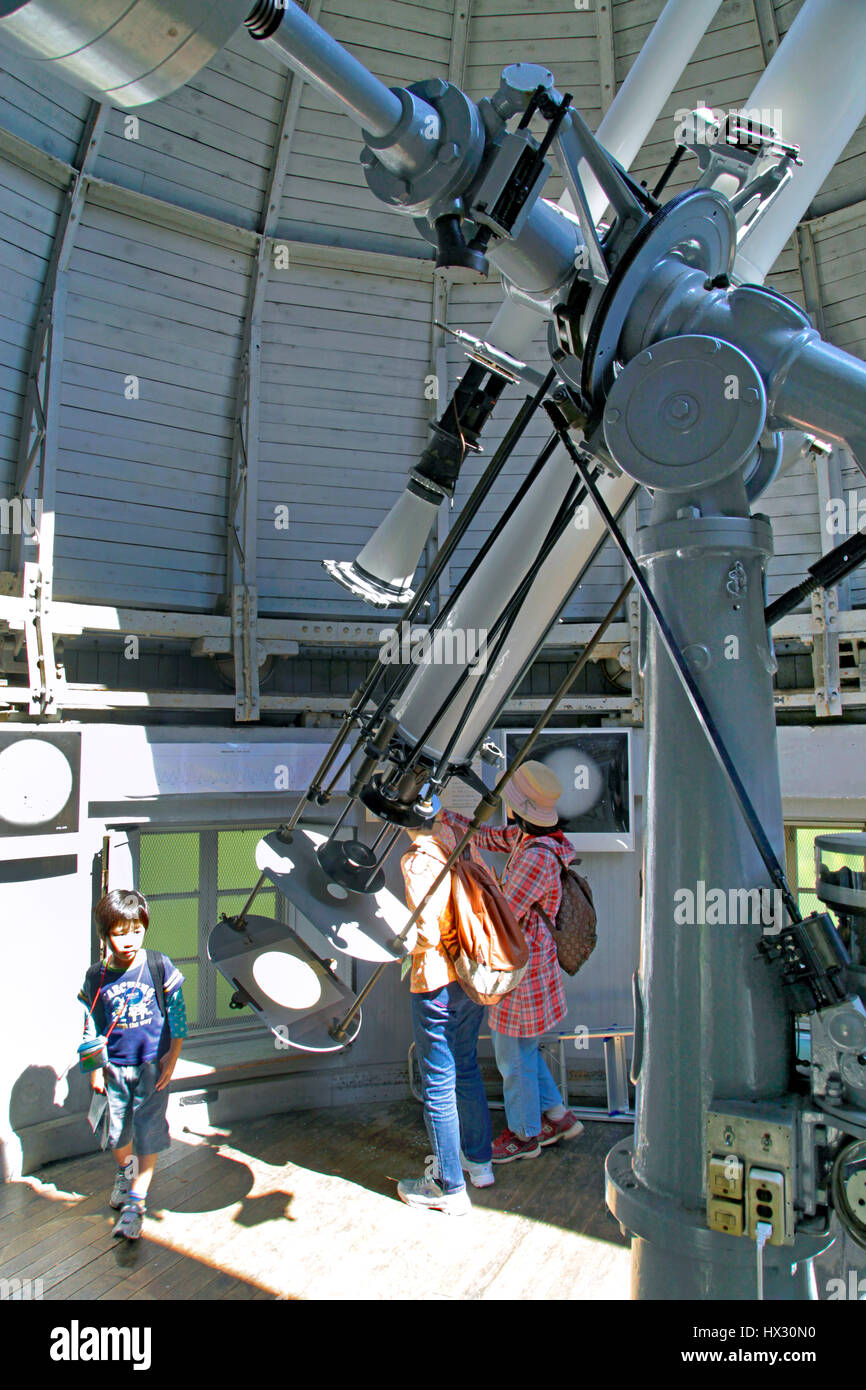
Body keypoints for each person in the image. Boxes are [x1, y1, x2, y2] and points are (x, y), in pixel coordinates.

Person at [442, 760, 585, 1162]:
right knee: (525, 1050)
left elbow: (504, 912)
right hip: (536, 965)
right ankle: (557, 1116)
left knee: (511, 1058)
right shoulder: (537, 840)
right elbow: (489, 836)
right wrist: (448, 817)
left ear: (519, 808)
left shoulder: (535, 856)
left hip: (521, 969)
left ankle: (524, 1135)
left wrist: (474, 874)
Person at [396, 813, 493, 1215]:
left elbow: (425, 933)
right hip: (472, 978)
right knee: (466, 1066)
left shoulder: (418, 860)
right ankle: (479, 1162)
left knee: (438, 1081)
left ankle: (447, 1186)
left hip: (436, 980)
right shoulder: (460, 843)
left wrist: (395, 935)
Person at [78, 889, 187, 1239]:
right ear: (104, 934)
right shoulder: (97, 976)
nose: (129, 940)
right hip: (114, 1069)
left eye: (136, 931)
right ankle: (126, 1174)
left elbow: (178, 1013)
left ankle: (136, 1203)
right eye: (119, 933)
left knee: (148, 1132)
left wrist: (174, 1055)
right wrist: (96, 1068)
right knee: (118, 1134)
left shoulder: (158, 965)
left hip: (152, 1066)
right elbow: (92, 1023)